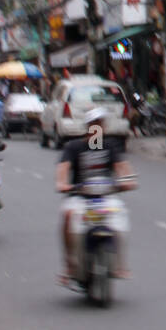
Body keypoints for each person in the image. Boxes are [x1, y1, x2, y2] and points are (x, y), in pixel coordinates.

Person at [55, 108, 136, 284]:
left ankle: (120, 265)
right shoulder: (73, 147)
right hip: (79, 197)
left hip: (106, 196)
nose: (97, 127)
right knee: (67, 215)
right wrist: (63, 184)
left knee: (121, 219)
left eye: (100, 123)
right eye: (93, 124)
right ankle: (70, 265)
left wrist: (127, 181)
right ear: (87, 126)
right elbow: (63, 169)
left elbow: (123, 168)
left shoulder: (111, 146)